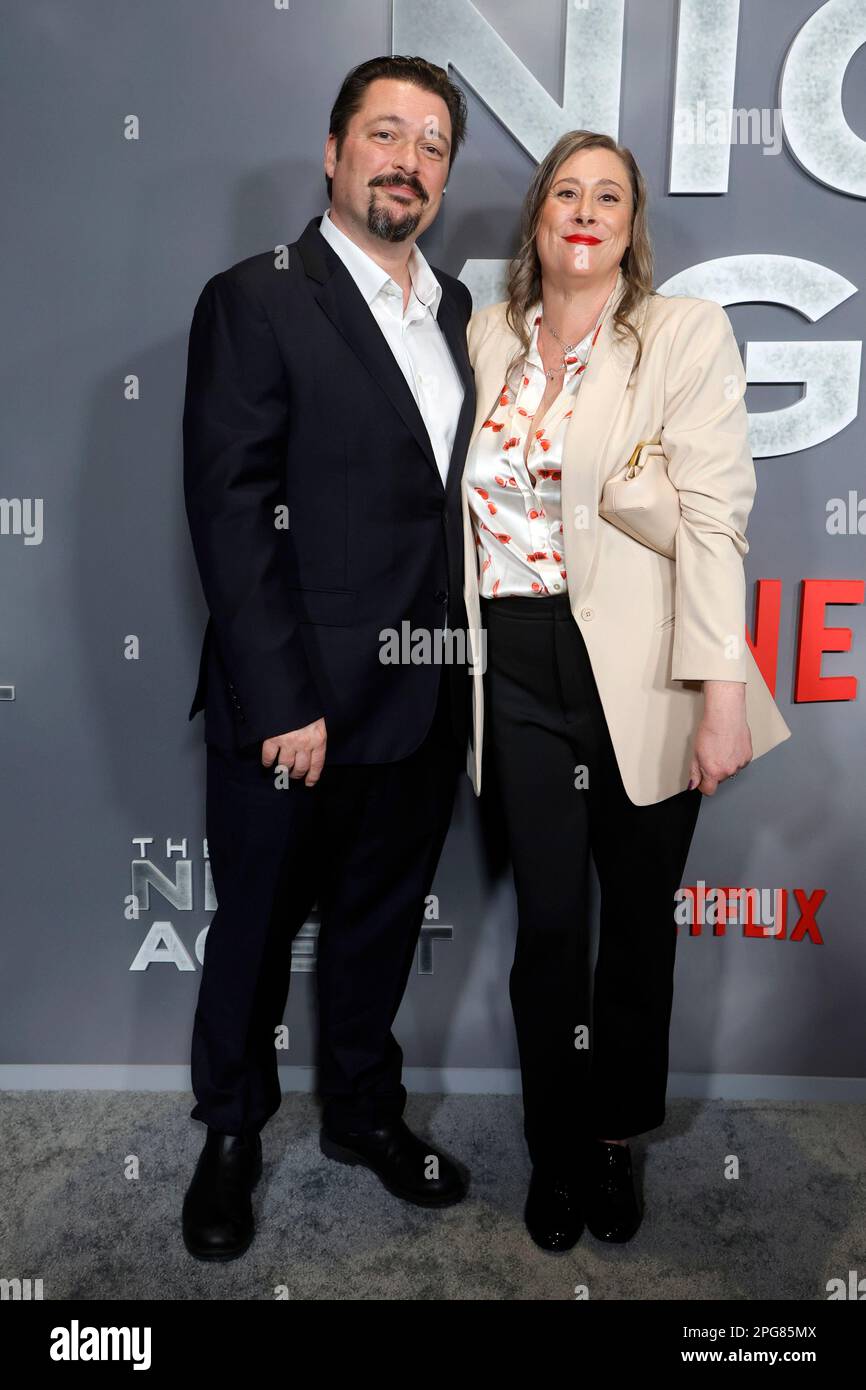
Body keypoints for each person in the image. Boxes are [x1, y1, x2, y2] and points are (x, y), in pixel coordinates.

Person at [462, 131, 791, 1253]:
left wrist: (720, 692)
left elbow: (711, 521)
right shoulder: (486, 334)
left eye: (610, 195)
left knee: (634, 926)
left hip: (642, 666)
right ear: (538, 217)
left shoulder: (680, 336)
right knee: (548, 924)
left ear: (631, 224)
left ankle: (610, 1142)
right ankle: (554, 1150)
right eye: (567, 191)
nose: (586, 210)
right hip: (512, 662)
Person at [181, 55, 477, 1261]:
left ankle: (362, 1111)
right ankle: (232, 1135)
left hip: (421, 691)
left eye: (432, 144)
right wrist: (282, 699)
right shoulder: (257, 296)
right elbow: (231, 507)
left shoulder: (455, 310)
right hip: (293, 705)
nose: (407, 160)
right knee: (252, 929)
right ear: (333, 150)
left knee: (378, 924)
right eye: (385, 133)